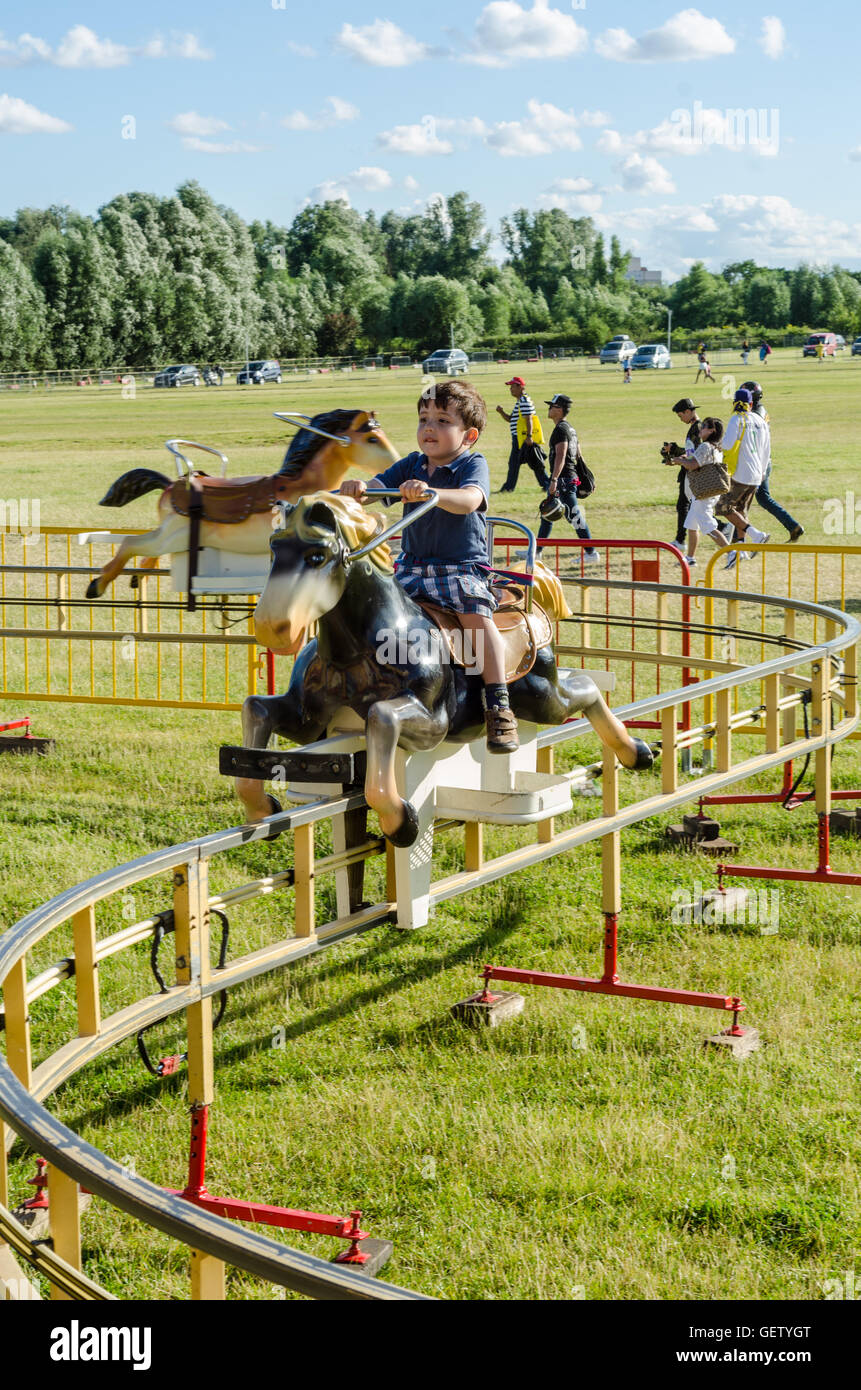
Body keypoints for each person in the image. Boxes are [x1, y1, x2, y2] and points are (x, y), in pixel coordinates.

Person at [341, 379, 520, 754]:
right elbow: (379, 486)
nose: (429, 428)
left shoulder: (473, 463)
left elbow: (471, 500)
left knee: (474, 615)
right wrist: (360, 489)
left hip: (459, 568)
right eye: (424, 418)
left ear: (468, 434)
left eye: (442, 420)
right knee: (369, 606)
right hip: (411, 566)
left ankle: (498, 703)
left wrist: (434, 494)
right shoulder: (413, 463)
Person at [537, 394, 599, 563]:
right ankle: (537, 551)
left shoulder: (561, 430)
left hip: (563, 479)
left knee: (573, 515)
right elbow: (579, 455)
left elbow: (561, 455)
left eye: (552, 406)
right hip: (568, 478)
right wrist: (587, 476)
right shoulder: (570, 428)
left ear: (559, 410)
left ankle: (591, 552)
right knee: (548, 512)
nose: (549, 409)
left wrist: (554, 479)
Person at [739, 380, 804, 542]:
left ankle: (740, 538)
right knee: (762, 499)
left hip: (758, 462)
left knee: (739, 501)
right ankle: (793, 526)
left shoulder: (755, 415)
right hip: (762, 461)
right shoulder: (759, 410)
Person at [715, 389, 771, 570]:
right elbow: (766, 449)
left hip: (741, 473)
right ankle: (741, 549)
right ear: (752, 404)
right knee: (741, 510)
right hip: (757, 474)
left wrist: (718, 445)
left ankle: (756, 535)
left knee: (723, 507)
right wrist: (762, 472)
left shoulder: (737, 419)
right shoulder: (760, 421)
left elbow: (729, 444)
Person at [678, 417, 732, 567]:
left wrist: (679, 460)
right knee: (691, 524)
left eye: (703, 427)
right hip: (711, 491)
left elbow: (693, 465)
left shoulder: (705, 447)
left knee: (708, 526)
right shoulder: (717, 447)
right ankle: (690, 558)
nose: (700, 429)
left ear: (711, 430)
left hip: (703, 492)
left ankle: (731, 552)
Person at [497, 376, 549, 493]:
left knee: (528, 461)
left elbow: (529, 419)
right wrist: (501, 412)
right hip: (521, 437)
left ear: (520, 387)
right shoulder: (521, 401)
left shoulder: (524, 401)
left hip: (523, 438)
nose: (510, 389)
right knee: (533, 461)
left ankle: (508, 488)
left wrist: (529, 437)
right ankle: (546, 484)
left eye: (512, 386)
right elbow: (511, 419)